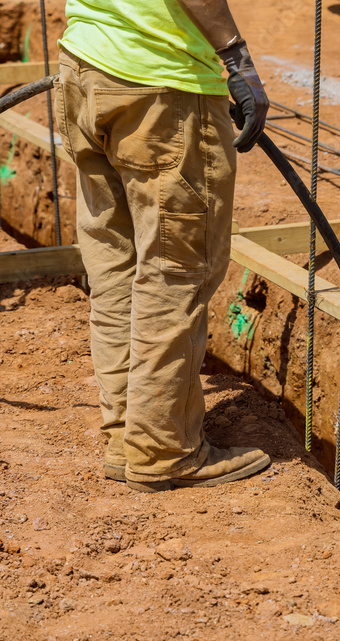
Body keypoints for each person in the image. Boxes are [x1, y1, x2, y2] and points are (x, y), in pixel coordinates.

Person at [56, 0, 272, 491]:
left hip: (83, 68)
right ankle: (162, 450)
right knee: (176, 272)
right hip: (159, 84)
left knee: (115, 270)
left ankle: (125, 439)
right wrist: (236, 60)